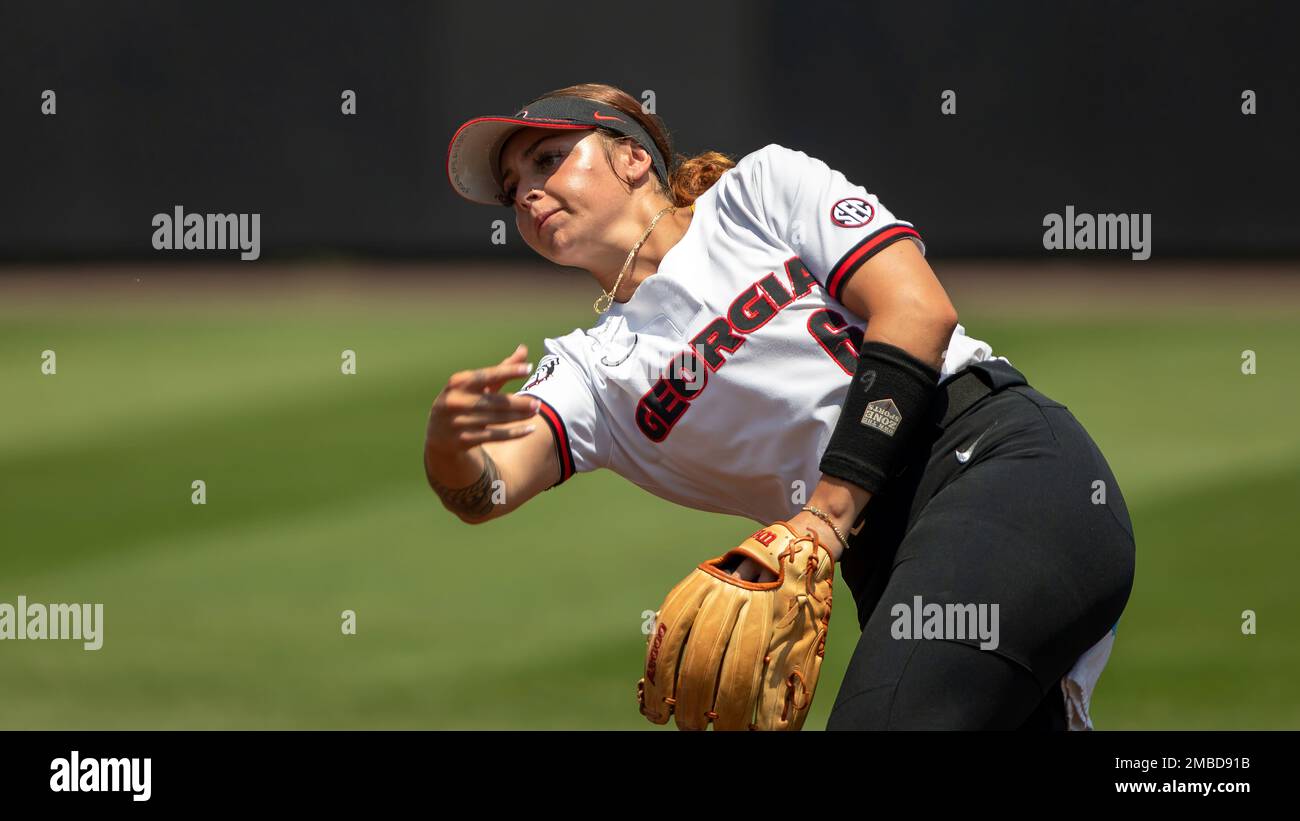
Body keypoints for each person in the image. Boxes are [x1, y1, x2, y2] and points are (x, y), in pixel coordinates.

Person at [429, 82, 1135, 729]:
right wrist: (448, 444)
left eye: (549, 158)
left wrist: (825, 517)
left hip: (1001, 470)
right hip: (891, 565)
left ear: (632, 160)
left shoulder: (756, 195)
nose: (525, 192)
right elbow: (483, 487)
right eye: (510, 186)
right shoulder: (590, 370)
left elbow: (917, 312)